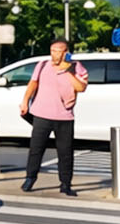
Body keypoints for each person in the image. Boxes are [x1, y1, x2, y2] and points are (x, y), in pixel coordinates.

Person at [19, 37, 89, 195]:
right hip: (41, 114)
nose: (55, 55)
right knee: (36, 149)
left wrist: (68, 71)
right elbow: (33, 83)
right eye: (53, 51)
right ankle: (30, 178)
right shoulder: (42, 65)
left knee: (65, 152)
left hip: (64, 116)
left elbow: (81, 87)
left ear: (66, 52)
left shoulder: (77, 67)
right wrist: (25, 101)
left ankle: (65, 184)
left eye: (59, 51)